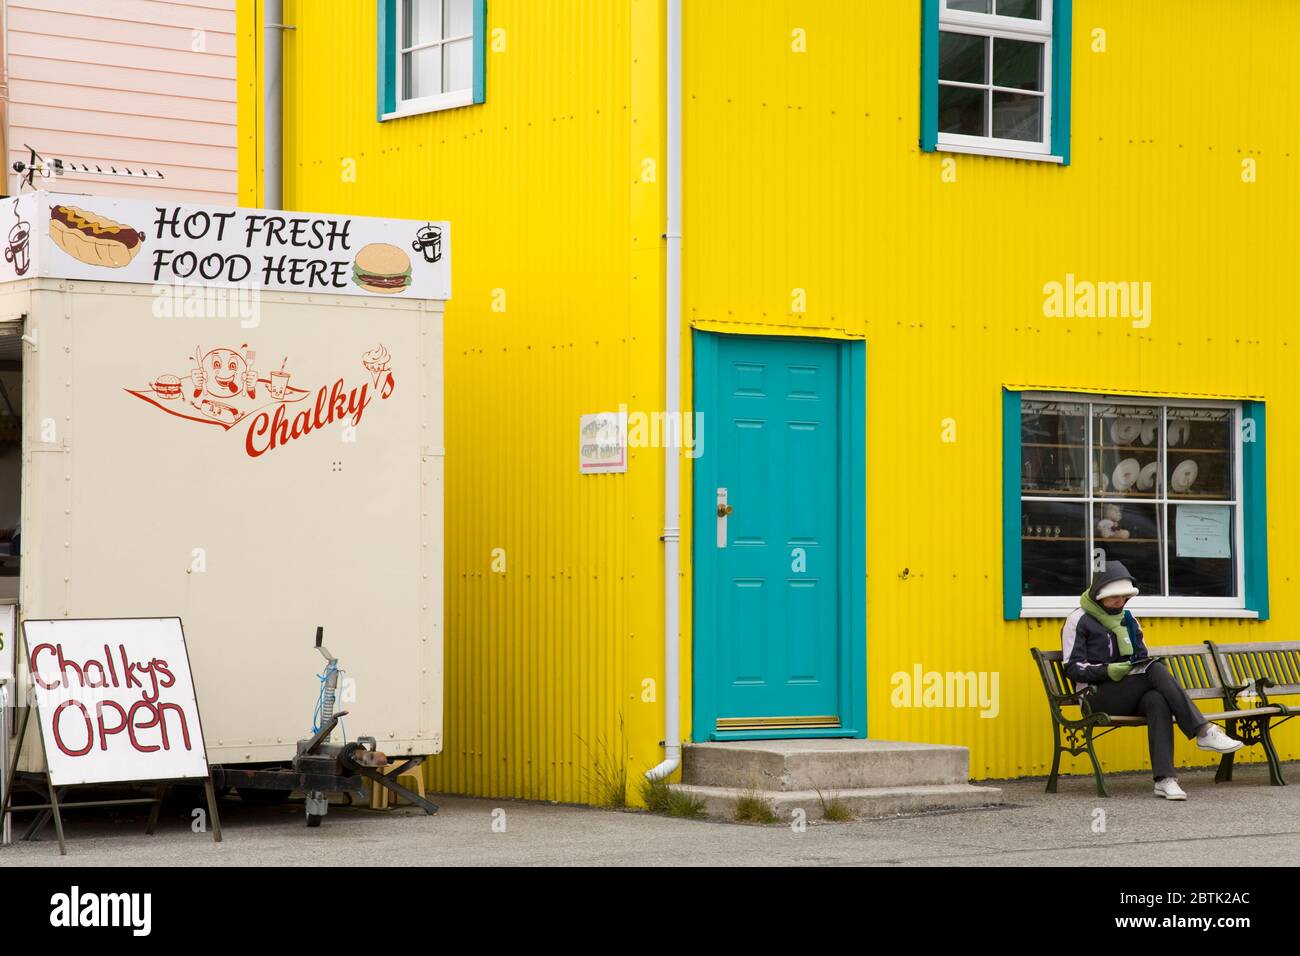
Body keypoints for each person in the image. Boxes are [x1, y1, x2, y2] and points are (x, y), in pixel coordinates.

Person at [1061, 560, 1243, 800]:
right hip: (1096, 697)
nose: (1120, 602)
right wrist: (1108, 671)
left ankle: (1165, 779)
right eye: (1114, 597)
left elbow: (1141, 659)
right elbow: (1073, 668)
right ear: (1098, 594)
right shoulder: (1078, 619)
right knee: (1155, 669)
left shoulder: (1129, 620)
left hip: (1128, 692)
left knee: (1157, 699)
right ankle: (1202, 730)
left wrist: (1130, 667)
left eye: (1124, 597)